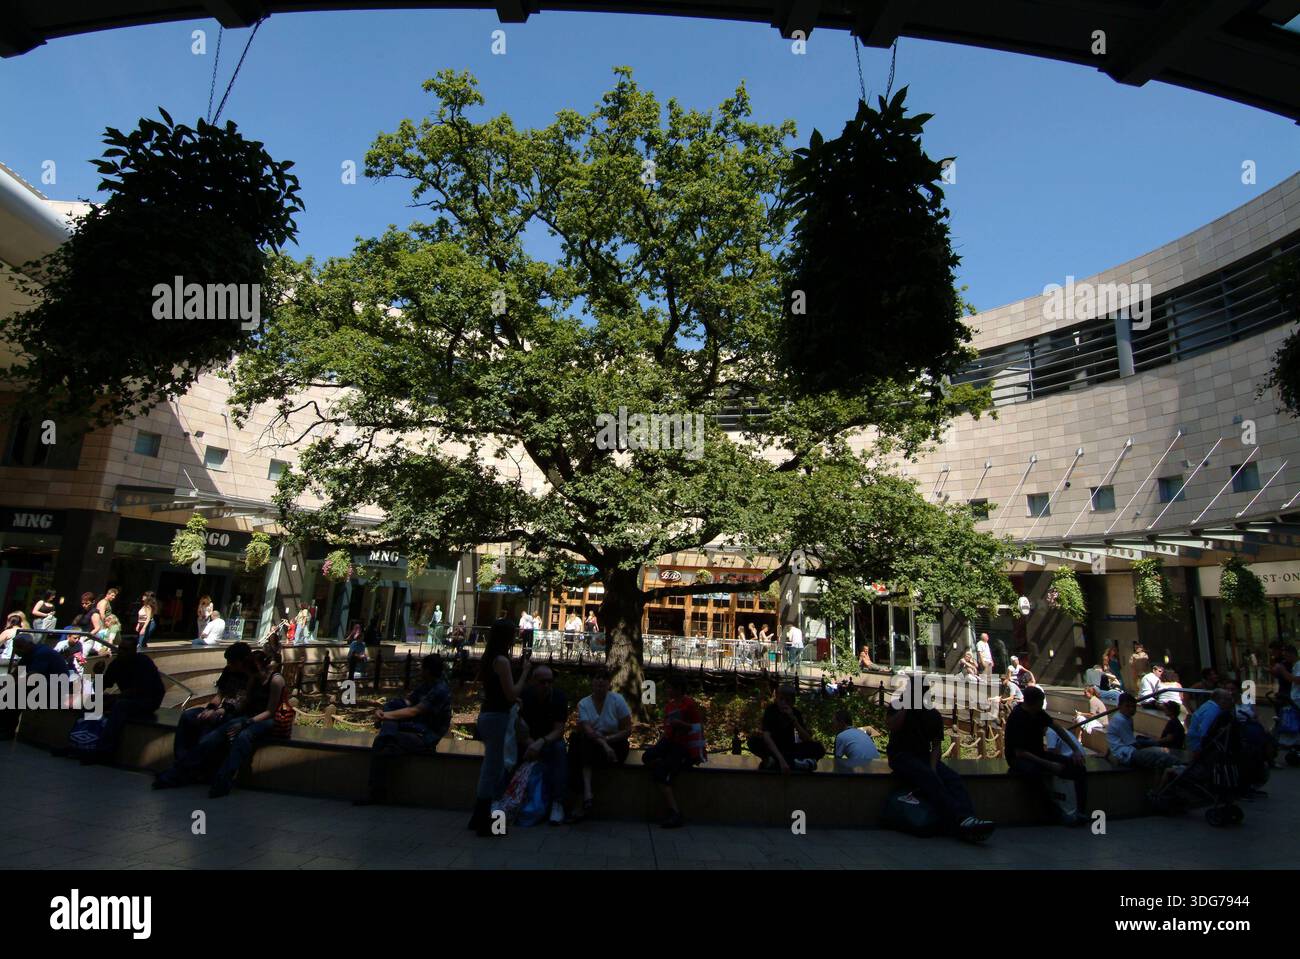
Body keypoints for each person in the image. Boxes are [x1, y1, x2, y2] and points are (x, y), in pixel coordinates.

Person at [885, 675, 994, 841]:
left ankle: (968, 818)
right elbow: (892, 725)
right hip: (901, 755)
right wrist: (906, 706)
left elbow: (936, 746)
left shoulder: (932, 715)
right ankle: (961, 819)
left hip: (923, 756)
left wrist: (933, 766)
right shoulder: (897, 706)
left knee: (953, 778)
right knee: (928, 777)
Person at [154, 642, 259, 786]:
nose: (229, 665)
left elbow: (243, 702)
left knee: (208, 734)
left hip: (237, 715)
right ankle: (181, 763)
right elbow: (220, 694)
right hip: (221, 711)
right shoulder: (228, 671)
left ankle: (180, 772)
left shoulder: (253, 676)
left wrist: (220, 711)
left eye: (232, 662)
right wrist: (210, 709)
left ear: (243, 661)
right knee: (187, 716)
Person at [357, 654, 452, 805]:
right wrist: (384, 710)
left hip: (425, 736)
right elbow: (408, 702)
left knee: (383, 743)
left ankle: (376, 793)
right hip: (413, 728)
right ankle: (387, 735)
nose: (420, 671)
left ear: (427, 670)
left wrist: (385, 717)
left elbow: (414, 711)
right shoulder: (426, 685)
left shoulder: (440, 690)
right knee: (392, 707)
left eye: (422, 668)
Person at [469, 618, 534, 836]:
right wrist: (525, 672)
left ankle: (478, 817)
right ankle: (486, 820)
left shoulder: (489, 658)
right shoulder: (502, 661)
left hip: (488, 714)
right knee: (494, 768)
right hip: (498, 717)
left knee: (490, 766)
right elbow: (511, 693)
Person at [207, 652, 288, 798]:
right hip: (251, 716)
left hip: (270, 720)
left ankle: (223, 780)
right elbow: (246, 702)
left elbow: (270, 711)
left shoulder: (276, 680)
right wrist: (225, 712)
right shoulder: (253, 679)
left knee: (245, 735)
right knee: (223, 730)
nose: (251, 676)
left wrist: (246, 722)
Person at [1004, 685, 1088, 825]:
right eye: (1042, 702)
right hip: (1019, 759)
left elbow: (1057, 728)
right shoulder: (1017, 717)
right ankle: (1055, 813)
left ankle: (1079, 810)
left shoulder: (1038, 713)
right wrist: (1049, 764)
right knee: (1034, 773)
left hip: (1038, 754)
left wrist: (1075, 750)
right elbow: (1020, 752)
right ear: (1035, 703)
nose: (1043, 704)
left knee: (1078, 767)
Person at [77, 636, 165, 765]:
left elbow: (142, 689)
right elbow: (102, 686)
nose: (122, 652)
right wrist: (98, 674)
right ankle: (79, 744)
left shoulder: (143, 662)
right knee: (93, 701)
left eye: (126, 649)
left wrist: (114, 699)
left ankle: (104, 751)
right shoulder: (117, 663)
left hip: (148, 701)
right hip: (127, 698)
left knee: (120, 705)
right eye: (121, 648)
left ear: (134, 650)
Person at [642, 675, 705, 829]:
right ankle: (663, 762)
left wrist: (682, 724)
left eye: (670, 688)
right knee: (647, 756)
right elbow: (666, 729)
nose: (668, 690)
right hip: (668, 741)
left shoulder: (688, 705)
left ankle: (675, 812)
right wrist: (659, 745)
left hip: (682, 745)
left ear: (678, 689)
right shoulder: (669, 706)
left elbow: (697, 727)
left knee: (662, 774)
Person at [569, 667, 632, 819]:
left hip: (615, 745)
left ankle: (580, 801)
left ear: (609, 684)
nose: (600, 683)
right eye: (597, 680)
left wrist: (608, 740)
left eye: (604, 681)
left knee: (579, 750)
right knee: (580, 741)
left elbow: (627, 730)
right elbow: (588, 730)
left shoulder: (618, 700)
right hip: (594, 745)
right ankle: (587, 793)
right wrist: (604, 744)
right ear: (592, 683)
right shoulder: (584, 703)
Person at [516, 664, 570, 825]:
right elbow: (517, 725)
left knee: (559, 750)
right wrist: (529, 742)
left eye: (550, 681)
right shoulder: (524, 696)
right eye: (542, 682)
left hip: (548, 741)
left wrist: (541, 742)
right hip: (526, 740)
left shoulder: (558, 697)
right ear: (533, 681)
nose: (546, 685)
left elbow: (559, 729)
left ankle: (557, 802)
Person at [748, 684, 825, 772]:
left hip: (790, 749)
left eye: (787, 700)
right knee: (753, 741)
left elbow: (807, 739)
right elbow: (767, 737)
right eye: (781, 699)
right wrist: (781, 760)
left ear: (793, 702)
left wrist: (794, 721)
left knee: (818, 747)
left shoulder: (796, 713)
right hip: (773, 749)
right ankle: (796, 764)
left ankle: (775, 763)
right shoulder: (770, 711)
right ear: (776, 699)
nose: (783, 703)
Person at [1106, 694, 1178, 771]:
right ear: (1120, 706)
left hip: (1126, 751)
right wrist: (1151, 749)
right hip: (1127, 755)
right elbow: (1132, 744)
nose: (1131, 709)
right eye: (1127, 706)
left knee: (1148, 743)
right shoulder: (1121, 720)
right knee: (1161, 756)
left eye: (1133, 707)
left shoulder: (1126, 718)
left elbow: (1113, 738)